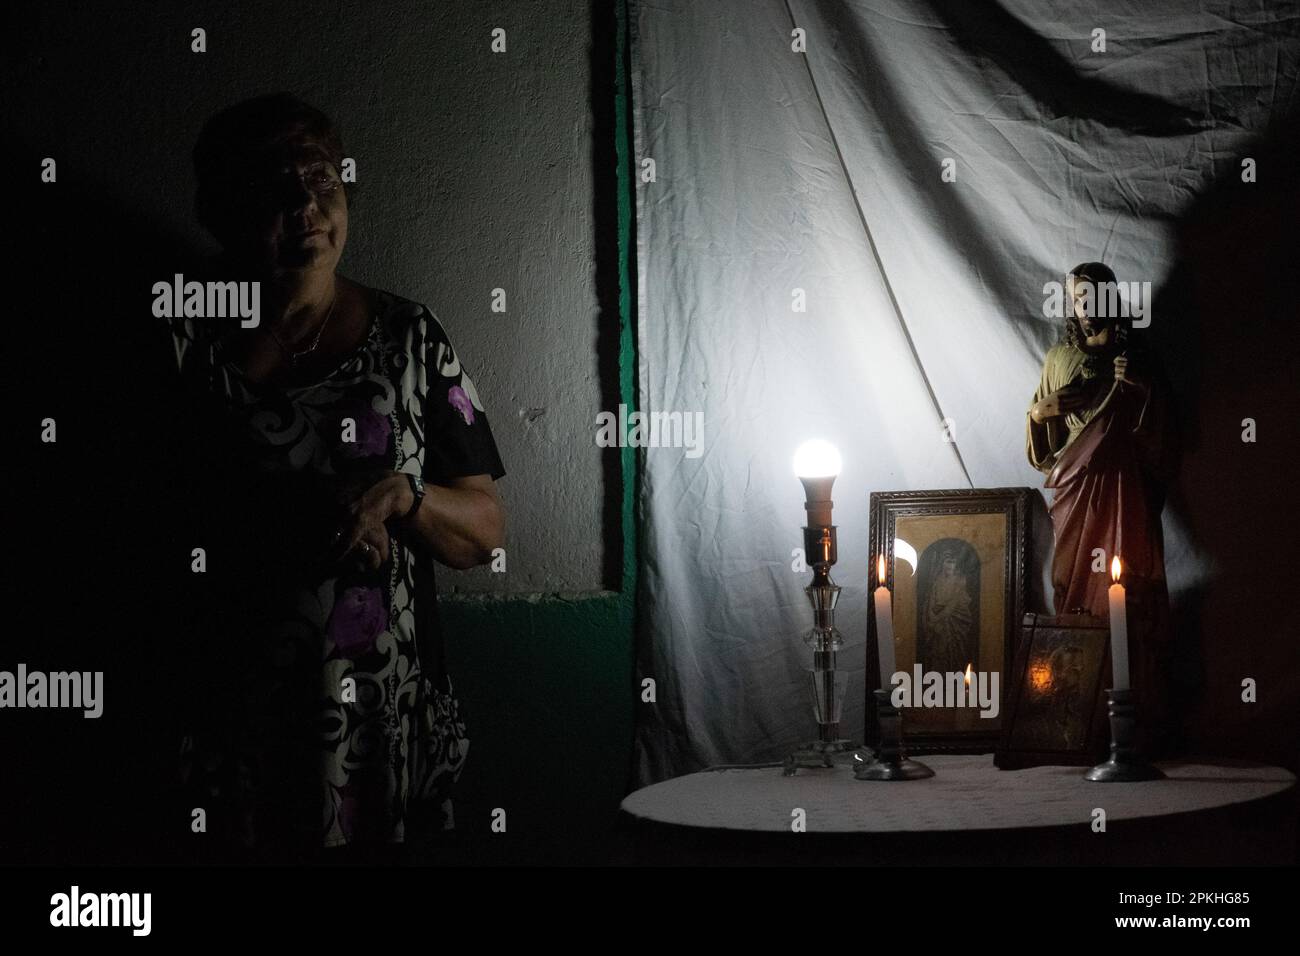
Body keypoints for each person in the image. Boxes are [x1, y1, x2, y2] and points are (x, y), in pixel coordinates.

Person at [164, 93, 506, 863]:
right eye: (274, 186)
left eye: (322, 179)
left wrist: (405, 499)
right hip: (228, 721)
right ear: (218, 210)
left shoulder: (411, 339)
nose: (305, 204)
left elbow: (484, 531)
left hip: (379, 732)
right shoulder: (181, 342)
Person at [1026, 261, 1177, 753]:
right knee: (1073, 588)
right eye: (1073, 297)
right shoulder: (1059, 357)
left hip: (1124, 496)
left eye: (1088, 296)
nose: (1080, 306)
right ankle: (1074, 717)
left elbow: (1166, 442)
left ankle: (1135, 724)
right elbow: (1041, 445)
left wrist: (1141, 388)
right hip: (1076, 491)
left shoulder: (1139, 359)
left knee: (1128, 591)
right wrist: (1039, 413)